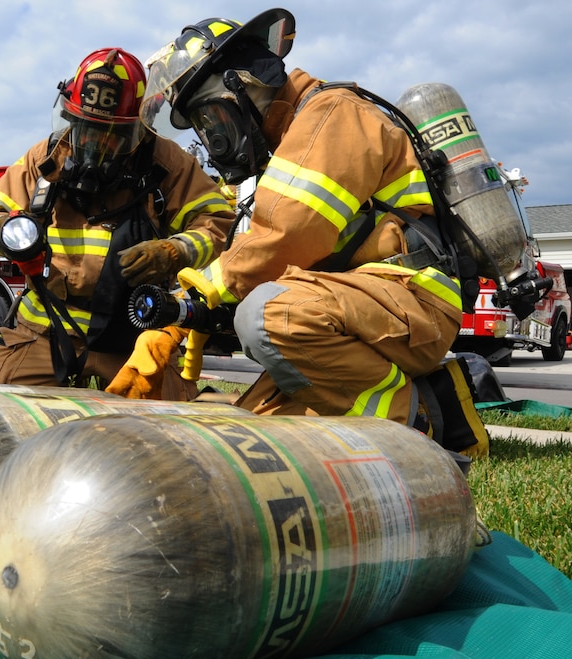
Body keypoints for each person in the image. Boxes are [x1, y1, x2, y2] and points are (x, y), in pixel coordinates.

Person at [114, 8, 487, 458]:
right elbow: (273, 256)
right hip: (365, 304)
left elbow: (286, 236)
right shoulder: (294, 140)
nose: (212, 137)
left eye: (210, 118)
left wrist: (195, 294)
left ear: (244, 83)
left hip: (412, 295)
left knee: (268, 318)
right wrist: (183, 325)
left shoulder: (332, 115)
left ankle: (409, 426)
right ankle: (441, 400)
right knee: (262, 434)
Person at [0, 47, 236, 400]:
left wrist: (175, 250)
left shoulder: (167, 164)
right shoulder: (45, 158)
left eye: (112, 134)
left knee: (167, 432)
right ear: (70, 118)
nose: (95, 145)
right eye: (85, 129)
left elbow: (217, 222)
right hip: (46, 327)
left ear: (140, 129)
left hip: (134, 330)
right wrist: (8, 234)